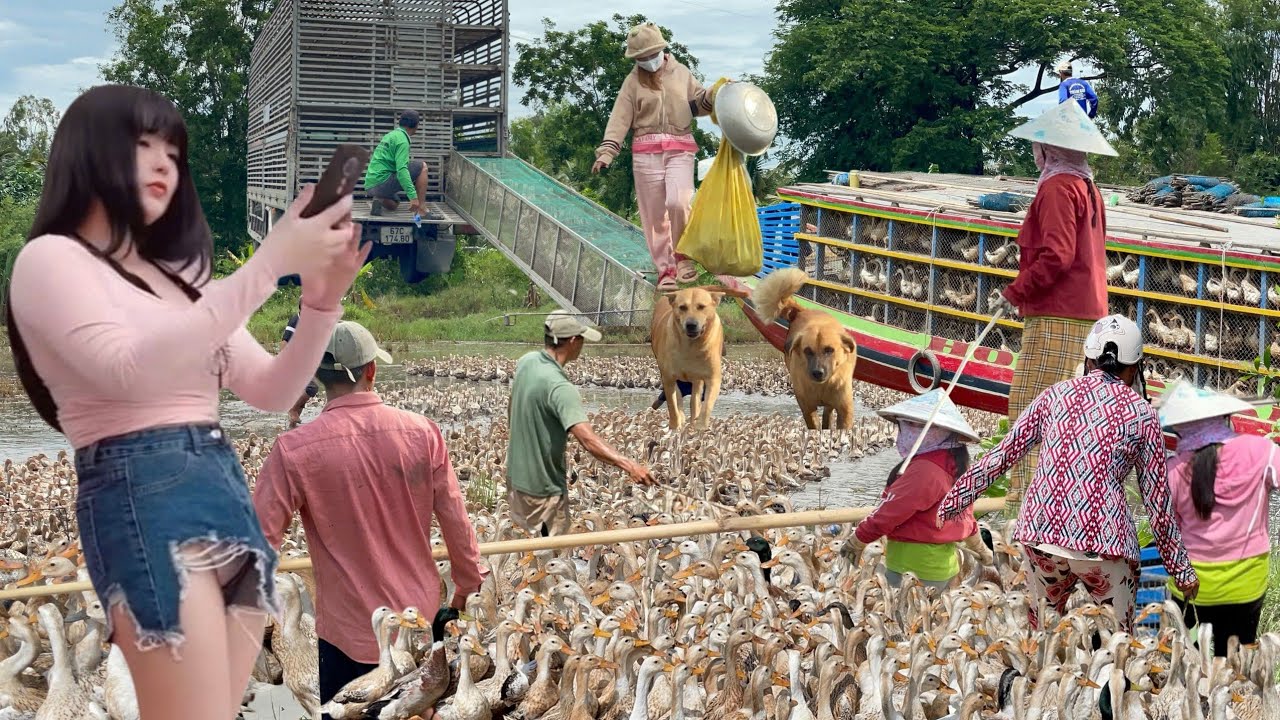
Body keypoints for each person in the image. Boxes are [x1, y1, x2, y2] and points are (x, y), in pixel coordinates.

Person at [5, 83, 366, 720]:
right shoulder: (50, 260)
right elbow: (127, 370)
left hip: (222, 484)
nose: (164, 162)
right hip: (140, 488)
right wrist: (266, 264)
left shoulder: (179, 283)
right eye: (142, 145)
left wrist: (321, 303)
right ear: (86, 156)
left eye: (173, 150)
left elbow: (275, 389)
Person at [253, 320, 484, 712]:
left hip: (347, 637)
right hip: (417, 632)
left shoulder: (293, 450)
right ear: (372, 370)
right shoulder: (422, 433)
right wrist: (462, 590)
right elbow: (457, 525)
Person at [937, 315, 1199, 631]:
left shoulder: (1055, 395)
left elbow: (1003, 455)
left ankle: (1036, 672)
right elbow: (1157, 503)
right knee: (1116, 641)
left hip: (1041, 537)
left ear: (1088, 359)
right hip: (1104, 546)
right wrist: (1181, 571)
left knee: (1042, 633)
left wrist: (953, 501)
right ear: (1133, 368)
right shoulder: (1143, 415)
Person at [990, 99, 1117, 513]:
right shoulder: (1086, 186)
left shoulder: (1058, 187)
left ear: (1049, 150)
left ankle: (1028, 497)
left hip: (1060, 312)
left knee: (1031, 403)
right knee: (1068, 410)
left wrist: (1016, 290)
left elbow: (1057, 255)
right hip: (1085, 311)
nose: (1035, 154)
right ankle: (1064, 494)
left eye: (1038, 147)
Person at [593, 22, 720, 291]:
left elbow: (698, 104)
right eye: (641, 58)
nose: (647, 62)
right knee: (654, 216)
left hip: (680, 148)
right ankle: (666, 270)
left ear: (662, 50)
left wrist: (712, 94)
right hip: (645, 153)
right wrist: (607, 152)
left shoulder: (681, 73)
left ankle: (684, 257)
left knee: (678, 201)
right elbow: (620, 118)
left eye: (651, 55)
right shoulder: (632, 82)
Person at [507, 310, 656, 535]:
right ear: (573, 341)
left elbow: (512, 408)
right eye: (583, 339)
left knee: (528, 551)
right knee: (554, 556)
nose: (584, 344)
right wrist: (630, 465)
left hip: (516, 481)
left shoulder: (526, 362)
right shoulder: (561, 387)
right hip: (544, 490)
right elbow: (588, 439)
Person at [1158, 381, 1279, 655]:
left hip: (1191, 587)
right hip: (1245, 586)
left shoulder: (1173, 470)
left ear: (1179, 428)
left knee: (1185, 661)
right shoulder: (1262, 450)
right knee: (1235, 666)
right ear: (1225, 418)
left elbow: (1167, 532)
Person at [849, 389, 981, 590]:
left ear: (940, 431)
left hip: (913, 569)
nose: (909, 431)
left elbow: (889, 513)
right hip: (944, 567)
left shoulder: (925, 470)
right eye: (908, 423)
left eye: (918, 425)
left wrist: (856, 542)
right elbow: (967, 517)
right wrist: (979, 548)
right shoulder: (955, 463)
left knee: (906, 620)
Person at [364, 109, 441, 219]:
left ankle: (379, 198)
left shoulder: (391, 135)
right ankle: (422, 209)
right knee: (422, 166)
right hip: (382, 183)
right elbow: (401, 170)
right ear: (416, 125)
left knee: (394, 204)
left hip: (371, 185)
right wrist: (413, 197)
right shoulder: (402, 140)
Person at [282, 298, 320, 428]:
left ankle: (292, 426)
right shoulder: (295, 320)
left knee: (302, 393)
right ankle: (293, 410)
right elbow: (285, 340)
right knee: (312, 387)